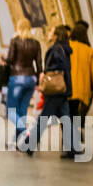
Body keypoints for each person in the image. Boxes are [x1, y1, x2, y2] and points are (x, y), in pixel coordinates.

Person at [26, 25, 72, 157]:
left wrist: (46, 73)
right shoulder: (65, 48)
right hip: (63, 88)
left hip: (55, 89)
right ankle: (73, 148)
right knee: (65, 119)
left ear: (56, 35)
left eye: (51, 31)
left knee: (44, 117)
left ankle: (30, 144)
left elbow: (57, 66)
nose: (49, 33)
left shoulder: (56, 49)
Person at [4, 18, 42, 145]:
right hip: (31, 78)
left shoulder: (15, 41)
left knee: (10, 111)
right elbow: (39, 65)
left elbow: (10, 59)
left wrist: (3, 61)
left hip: (17, 77)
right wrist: (37, 80)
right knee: (22, 110)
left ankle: (25, 132)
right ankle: (17, 139)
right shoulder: (36, 43)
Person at [67, 20, 93, 159]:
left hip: (67, 89)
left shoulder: (66, 47)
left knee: (67, 118)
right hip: (82, 92)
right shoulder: (89, 51)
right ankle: (75, 144)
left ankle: (70, 146)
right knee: (75, 118)